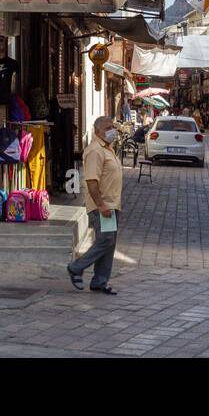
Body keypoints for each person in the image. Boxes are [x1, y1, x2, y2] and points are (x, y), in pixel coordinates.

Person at [67, 116, 124, 295]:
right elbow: (92, 181)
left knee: (110, 242)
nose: (112, 130)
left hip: (112, 204)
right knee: (105, 240)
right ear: (97, 131)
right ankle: (76, 267)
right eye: (108, 127)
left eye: (113, 126)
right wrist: (101, 205)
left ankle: (100, 281)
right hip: (102, 205)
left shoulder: (107, 149)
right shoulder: (95, 151)